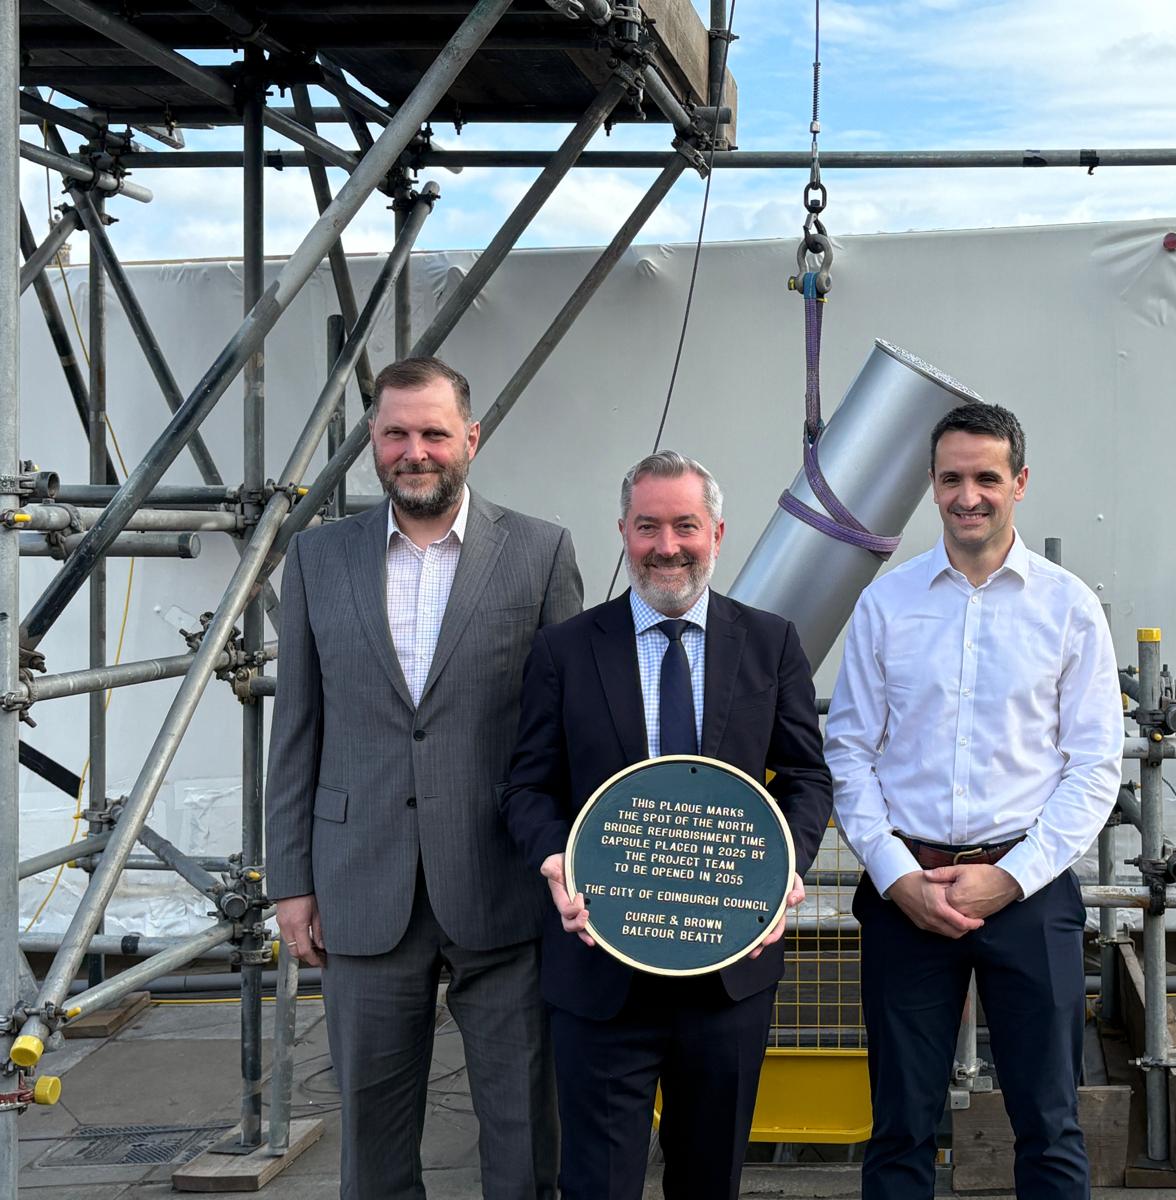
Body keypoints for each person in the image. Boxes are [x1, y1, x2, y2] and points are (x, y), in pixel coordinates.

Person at [266, 355, 581, 1200]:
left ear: (470, 439)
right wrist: (290, 882)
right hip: (359, 885)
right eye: (397, 432)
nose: (416, 450)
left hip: (504, 883)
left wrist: (574, 863)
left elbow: (568, 732)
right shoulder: (315, 559)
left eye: (435, 432)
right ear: (372, 438)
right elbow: (296, 728)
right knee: (371, 1133)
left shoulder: (541, 553)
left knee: (523, 1129)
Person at [499, 450, 832, 1200]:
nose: (667, 545)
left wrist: (785, 865)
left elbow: (807, 776)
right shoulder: (566, 650)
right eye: (648, 526)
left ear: (717, 530)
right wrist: (555, 857)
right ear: (622, 531)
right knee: (597, 1184)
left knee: (709, 1181)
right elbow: (526, 785)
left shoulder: (771, 643)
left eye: (686, 525)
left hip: (729, 973)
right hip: (599, 967)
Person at [825, 402, 1124, 1200]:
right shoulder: (887, 606)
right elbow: (848, 752)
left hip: (1027, 893)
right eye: (952, 477)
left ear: (1019, 483)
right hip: (906, 894)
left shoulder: (1068, 608)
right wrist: (894, 875)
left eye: (987, 477)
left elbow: (1095, 765)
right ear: (931, 485)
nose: (969, 495)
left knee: (1050, 1123)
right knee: (899, 1128)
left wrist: (1014, 877)